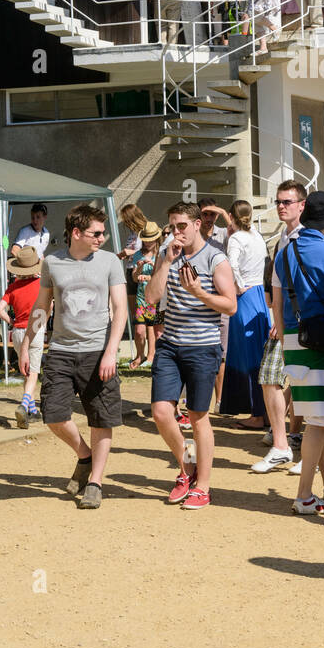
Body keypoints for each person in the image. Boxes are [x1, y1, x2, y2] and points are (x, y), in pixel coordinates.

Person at [22, 205, 126, 509]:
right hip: (62, 351)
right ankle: (85, 455)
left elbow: (120, 309)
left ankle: (95, 481)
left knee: (100, 416)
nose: (102, 238)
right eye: (96, 233)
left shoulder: (109, 262)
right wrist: (28, 342)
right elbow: (42, 307)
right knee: (53, 414)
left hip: (98, 351)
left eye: (103, 233)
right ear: (77, 233)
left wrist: (111, 352)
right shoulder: (52, 262)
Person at [146, 203, 237, 509]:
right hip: (170, 344)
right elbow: (151, 298)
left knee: (198, 417)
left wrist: (199, 293)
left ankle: (204, 485)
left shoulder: (216, 258)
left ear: (198, 224)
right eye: (172, 226)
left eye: (182, 225)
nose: (177, 232)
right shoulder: (167, 254)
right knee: (161, 412)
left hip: (203, 347)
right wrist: (165, 263)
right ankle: (186, 468)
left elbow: (230, 305)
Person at [273, 192, 324, 514]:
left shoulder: (283, 251)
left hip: (291, 339)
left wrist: (282, 343)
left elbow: (276, 304)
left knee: (315, 416)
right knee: (319, 422)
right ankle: (304, 494)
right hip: (322, 343)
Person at [252, 181, 307, 473]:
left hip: (303, 321)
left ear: (302, 205)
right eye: (278, 201)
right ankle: (282, 444)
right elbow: (274, 283)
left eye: (287, 201)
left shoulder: (308, 238)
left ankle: (305, 450)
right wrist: (276, 317)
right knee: (271, 377)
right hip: (285, 321)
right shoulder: (281, 239)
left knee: (304, 382)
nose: (281, 206)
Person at [220, 200, 270, 426]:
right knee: (259, 354)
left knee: (248, 355)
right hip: (258, 294)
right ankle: (263, 411)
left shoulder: (236, 239)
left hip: (245, 295)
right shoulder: (257, 236)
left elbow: (232, 265)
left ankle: (257, 413)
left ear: (232, 216)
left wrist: (238, 286)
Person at [0, 246, 43, 426]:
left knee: (25, 371)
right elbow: (50, 307)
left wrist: (11, 321)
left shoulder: (12, 287)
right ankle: (23, 405)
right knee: (33, 373)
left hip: (16, 332)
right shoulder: (40, 285)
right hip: (36, 331)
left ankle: (32, 410)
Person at [130, 220, 163, 369]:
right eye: (145, 240)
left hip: (155, 299)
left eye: (150, 239)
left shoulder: (161, 254)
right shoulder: (138, 254)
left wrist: (150, 274)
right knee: (139, 330)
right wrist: (139, 269)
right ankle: (139, 355)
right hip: (141, 298)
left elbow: (162, 277)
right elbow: (134, 278)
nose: (148, 243)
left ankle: (152, 356)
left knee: (154, 329)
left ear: (156, 238)